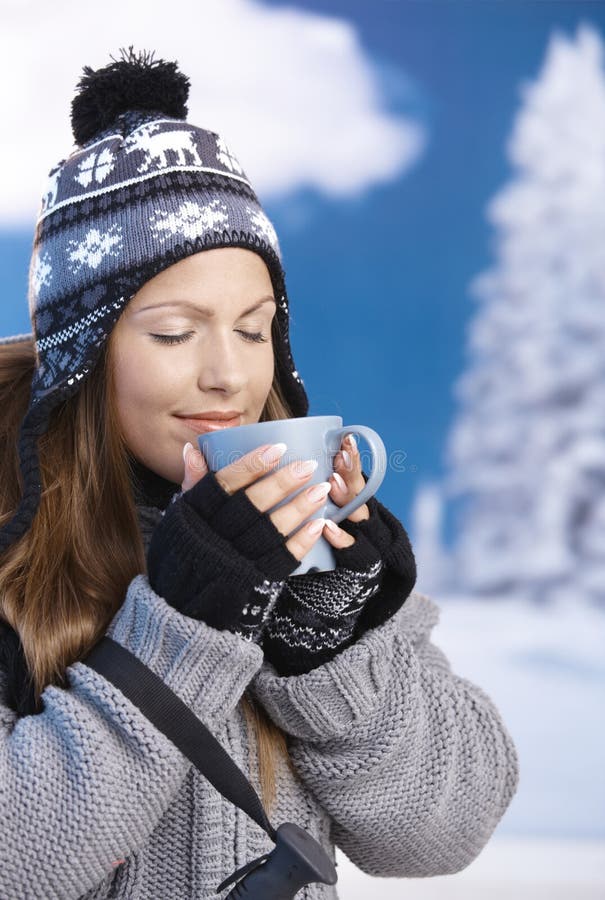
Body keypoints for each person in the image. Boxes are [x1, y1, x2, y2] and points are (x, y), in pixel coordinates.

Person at [0, 48, 519, 899]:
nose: (230, 377)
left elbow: (446, 830)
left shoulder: (305, 511)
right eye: (174, 333)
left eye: (254, 329)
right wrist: (183, 623)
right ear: (84, 358)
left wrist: (328, 643)